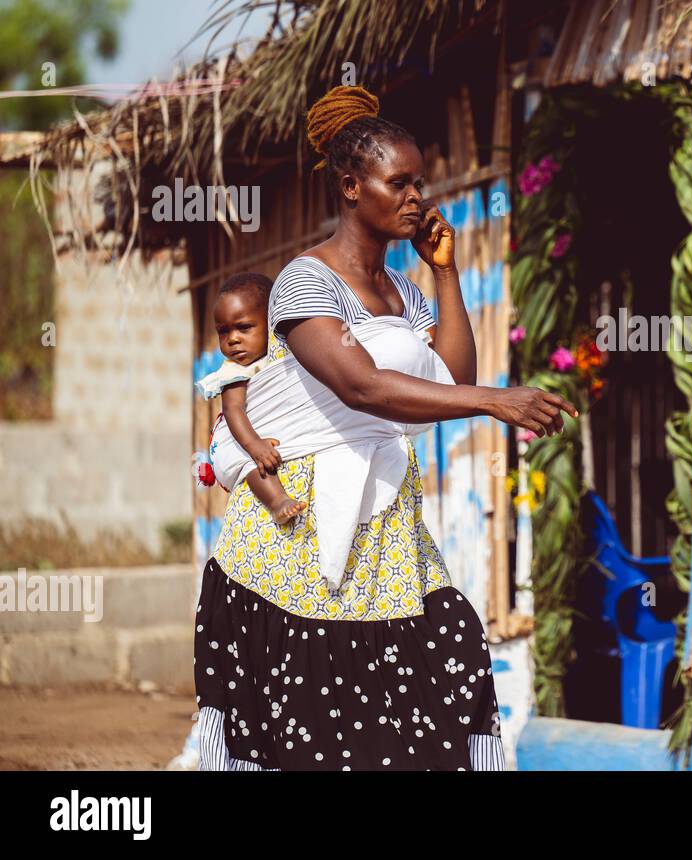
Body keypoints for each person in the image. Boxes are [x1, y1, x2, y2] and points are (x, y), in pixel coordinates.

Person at [193, 85, 576, 771]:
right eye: (398, 182)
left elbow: (452, 380)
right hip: (300, 536)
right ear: (349, 186)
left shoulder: (404, 290)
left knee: (454, 652)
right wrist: (497, 402)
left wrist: (447, 272)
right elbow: (362, 387)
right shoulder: (302, 284)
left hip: (388, 531)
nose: (415, 197)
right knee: (310, 723)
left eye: (418, 182)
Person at [195, 272, 307, 524]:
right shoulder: (235, 369)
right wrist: (254, 446)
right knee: (253, 465)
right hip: (237, 443)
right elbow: (233, 410)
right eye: (223, 332)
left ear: (270, 321)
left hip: (258, 436)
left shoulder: (284, 354)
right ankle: (277, 501)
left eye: (244, 327)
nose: (233, 339)